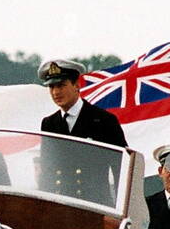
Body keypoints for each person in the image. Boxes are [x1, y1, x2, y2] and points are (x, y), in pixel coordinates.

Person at [36, 58, 126, 204]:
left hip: (96, 207)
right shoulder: (49, 124)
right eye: (51, 87)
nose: (55, 92)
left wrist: (119, 209)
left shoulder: (104, 120)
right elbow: (47, 170)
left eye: (61, 85)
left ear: (77, 85)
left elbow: (121, 170)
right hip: (62, 207)